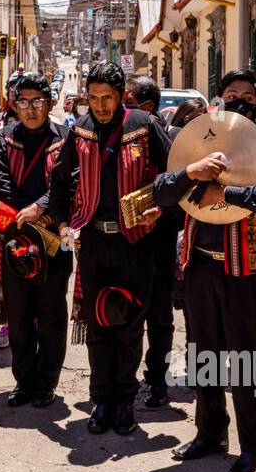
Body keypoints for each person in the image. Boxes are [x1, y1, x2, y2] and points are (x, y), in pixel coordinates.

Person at [155, 69, 256, 472]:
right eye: (232, 93)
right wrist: (189, 173)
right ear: (219, 99)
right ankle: (210, 432)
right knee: (205, 355)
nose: (240, 100)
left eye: (248, 96)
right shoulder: (197, 140)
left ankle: (254, 445)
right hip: (200, 268)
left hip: (248, 270)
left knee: (249, 361)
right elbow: (162, 190)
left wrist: (227, 194)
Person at [47, 61, 172, 436]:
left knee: (130, 325)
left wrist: (160, 209)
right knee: (99, 323)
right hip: (94, 243)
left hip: (136, 242)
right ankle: (101, 402)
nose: (100, 106)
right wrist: (63, 224)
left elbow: (172, 175)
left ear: (122, 97)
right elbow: (58, 181)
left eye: (108, 98)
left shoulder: (143, 126)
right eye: (94, 98)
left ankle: (125, 404)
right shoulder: (80, 130)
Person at [0, 73, 69, 408]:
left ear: (49, 103)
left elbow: (69, 181)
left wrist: (42, 208)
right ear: (13, 105)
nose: (31, 109)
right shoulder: (4, 139)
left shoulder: (66, 138)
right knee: (18, 312)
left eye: (38, 101)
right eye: (23, 102)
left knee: (51, 311)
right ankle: (23, 381)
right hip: (16, 238)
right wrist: (26, 212)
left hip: (54, 237)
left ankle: (46, 382)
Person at [125, 75, 178, 408]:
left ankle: (156, 380)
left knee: (156, 314)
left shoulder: (162, 136)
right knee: (145, 313)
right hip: (134, 239)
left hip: (157, 241)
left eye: (128, 103)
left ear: (146, 107)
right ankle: (150, 379)